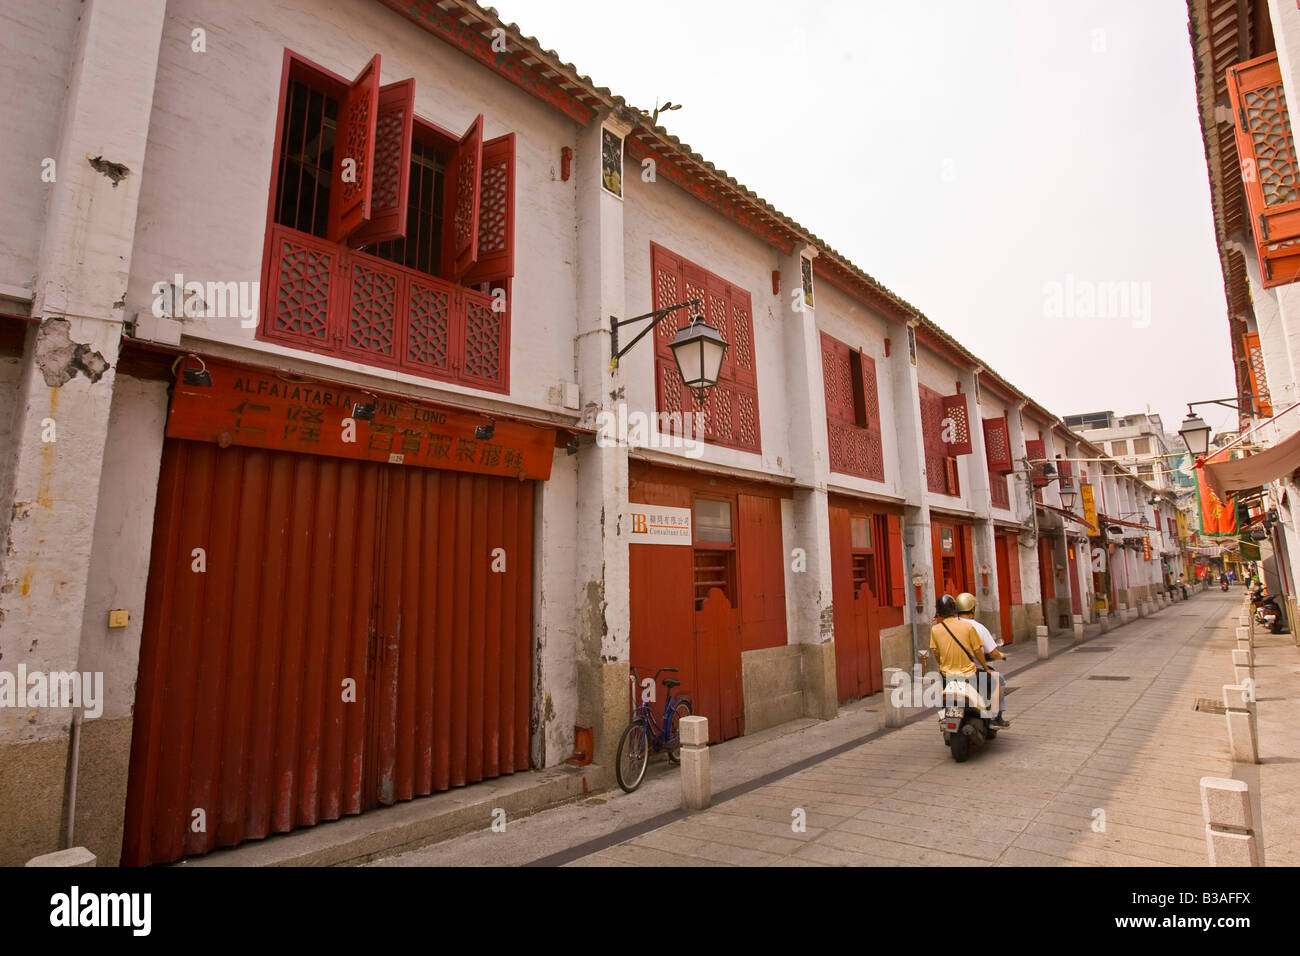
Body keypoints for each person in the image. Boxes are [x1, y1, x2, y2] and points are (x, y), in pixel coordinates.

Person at [929, 593, 1008, 728]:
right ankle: (994, 716)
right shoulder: (967, 627)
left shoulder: (935, 630)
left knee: (942, 688)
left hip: (947, 675)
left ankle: (944, 713)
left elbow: (936, 653)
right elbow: (978, 651)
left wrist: (943, 665)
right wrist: (986, 667)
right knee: (995, 680)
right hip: (969, 675)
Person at [954, 592, 1009, 724]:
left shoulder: (948, 626)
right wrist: (1001, 656)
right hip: (974, 672)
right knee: (999, 680)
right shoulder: (978, 628)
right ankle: (995, 716)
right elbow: (993, 653)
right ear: (972, 609)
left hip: (952, 672)